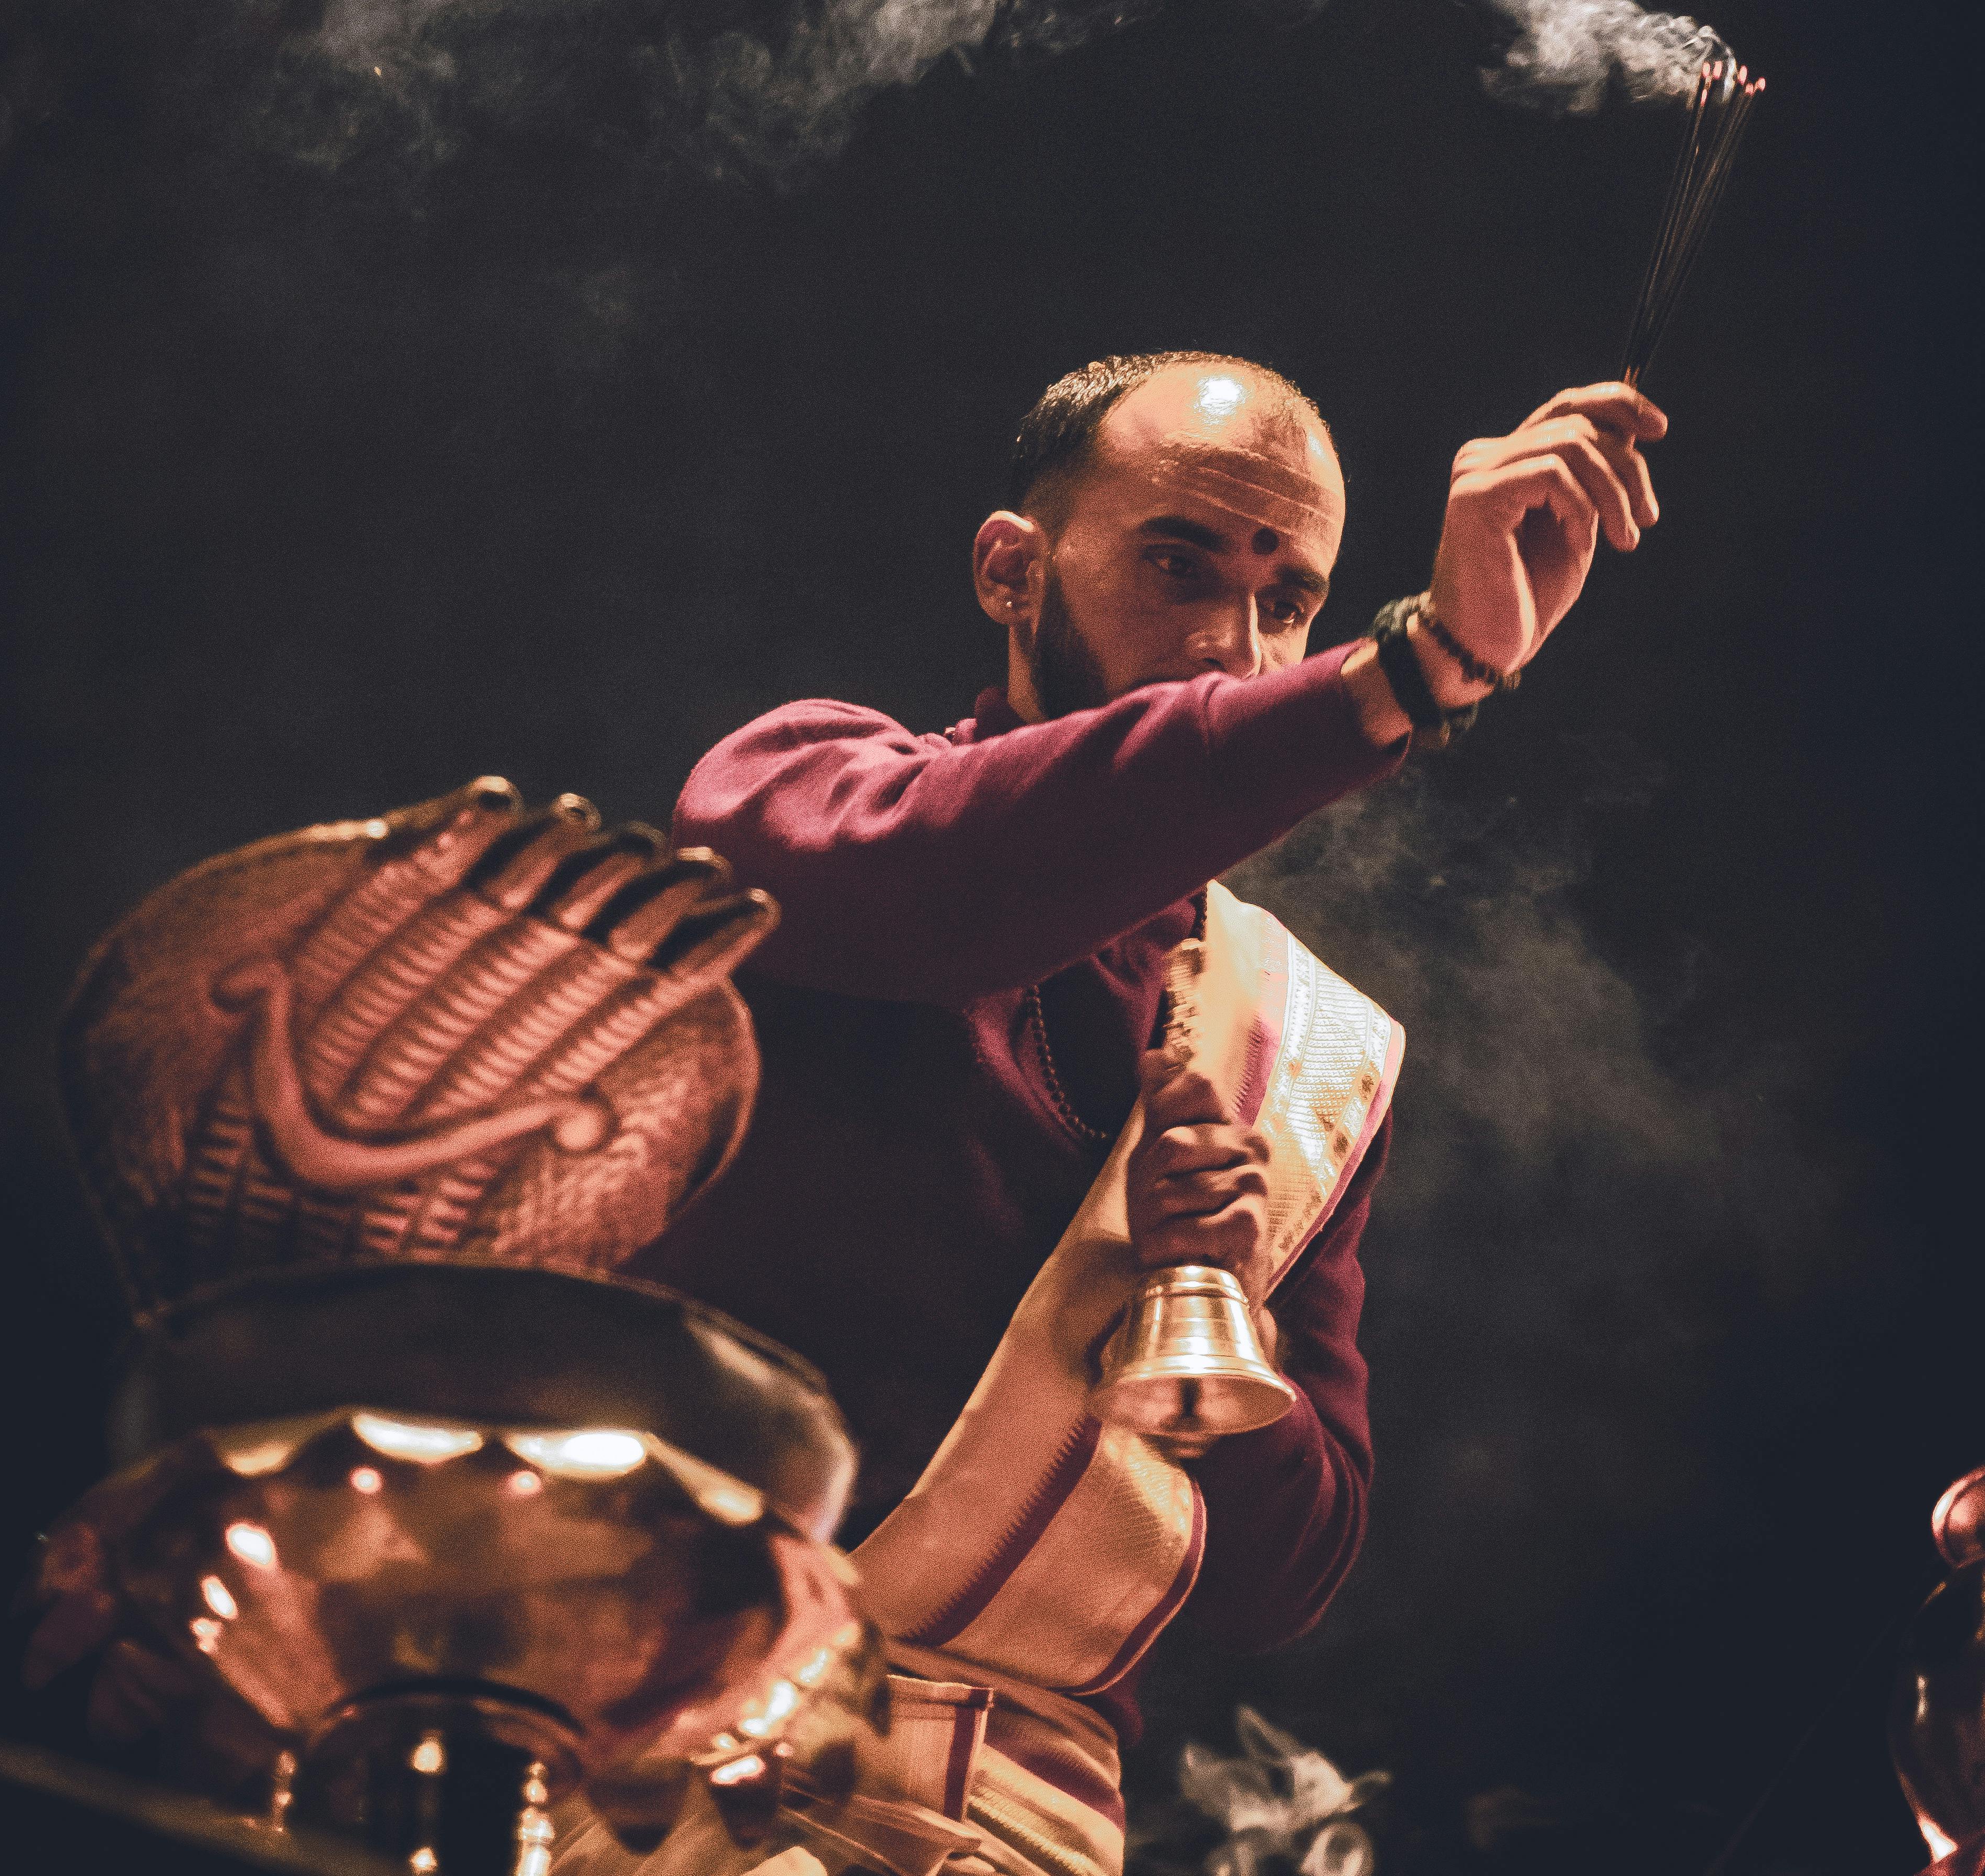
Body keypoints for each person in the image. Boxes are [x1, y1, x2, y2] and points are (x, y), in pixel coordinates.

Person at [635, 351, 1664, 1876]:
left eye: (1292, 598)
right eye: (1178, 560)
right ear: (1010, 566)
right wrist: (1411, 667)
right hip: (660, 1757)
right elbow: (962, 888)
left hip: (1031, 1828)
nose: (1231, 643)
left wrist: (1218, 1312)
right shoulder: (805, 791)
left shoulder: (1307, 1048)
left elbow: (1279, 1584)